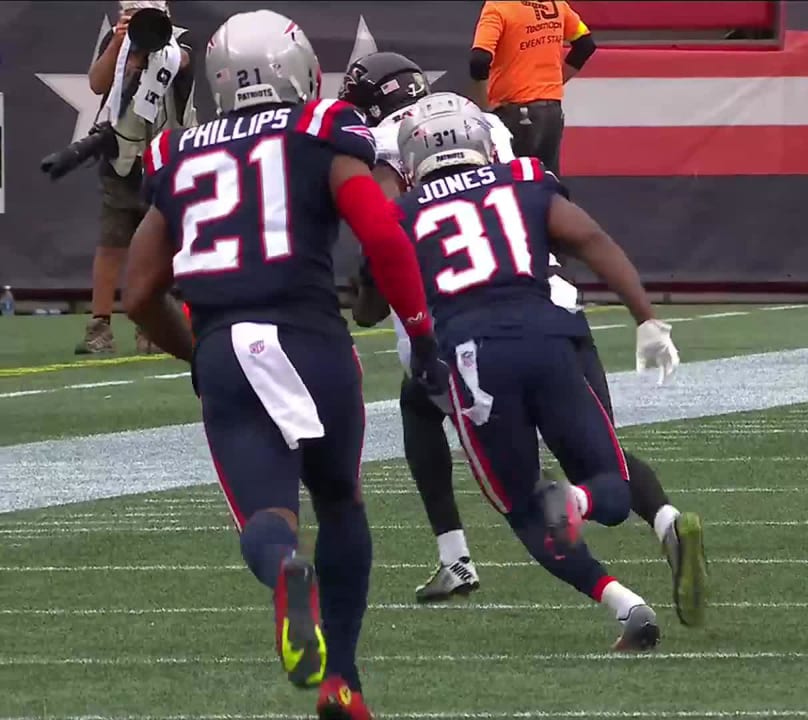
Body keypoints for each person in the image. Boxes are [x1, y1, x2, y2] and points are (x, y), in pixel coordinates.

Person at [121, 10, 446, 720]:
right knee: (341, 502)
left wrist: (195, 352)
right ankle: (345, 682)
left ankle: (284, 574)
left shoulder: (176, 149)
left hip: (227, 348)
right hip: (312, 342)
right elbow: (382, 235)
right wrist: (421, 336)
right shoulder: (321, 128)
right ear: (295, 68)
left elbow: (138, 292)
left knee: (268, 518)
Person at [344, 57, 708, 629]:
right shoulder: (522, 171)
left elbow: (368, 302)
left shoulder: (400, 204)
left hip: (468, 356)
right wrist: (646, 319)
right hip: (551, 326)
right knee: (602, 477)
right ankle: (644, 515)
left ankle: (618, 603)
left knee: (523, 504)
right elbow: (589, 235)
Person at [80, 0, 196, 355]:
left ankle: (153, 323)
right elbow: (98, 84)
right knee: (111, 243)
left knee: (162, 246)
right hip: (122, 156)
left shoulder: (180, 48)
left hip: (164, 160)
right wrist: (120, 45)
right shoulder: (117, 46)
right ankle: (99, 325)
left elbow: (182, 68)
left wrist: (153, 49)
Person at [468, 0, 597, 174]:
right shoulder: (557, 4)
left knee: (512, 186)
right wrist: (554, 83)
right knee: (548, 187)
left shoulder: (498, 7)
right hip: (551, 113)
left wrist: (484, 110)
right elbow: (585, 44)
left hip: (511, 113)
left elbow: (479, 60)